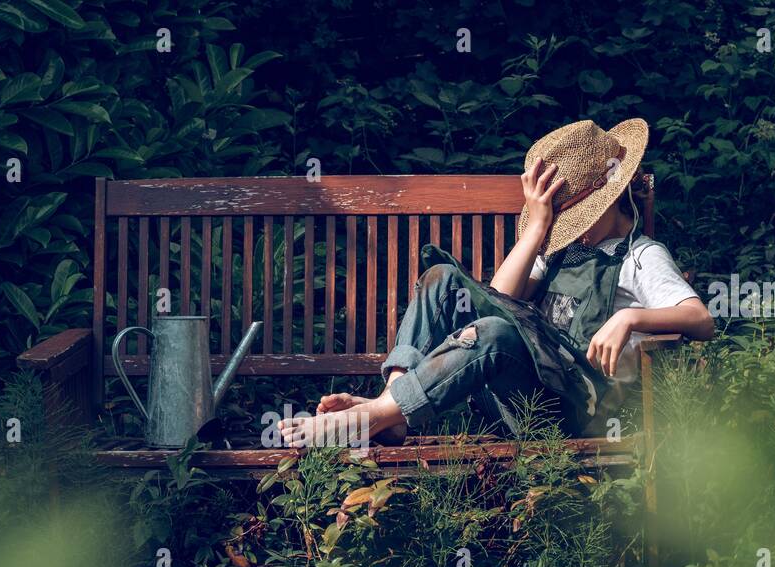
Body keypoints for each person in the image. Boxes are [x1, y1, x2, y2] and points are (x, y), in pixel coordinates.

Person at [277, 118, 714, 447]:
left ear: (609, 193)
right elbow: (499, 297)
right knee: (442, 278)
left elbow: (699, 319)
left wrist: (631, 317)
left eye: (576, 215)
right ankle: (391, 411)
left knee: (495, 334)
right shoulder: (562, 253)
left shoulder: (641, 256)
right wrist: (537, 229)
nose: (573, 228)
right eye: (565, 218)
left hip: (572, 411)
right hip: (515, 394)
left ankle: (377, 414)